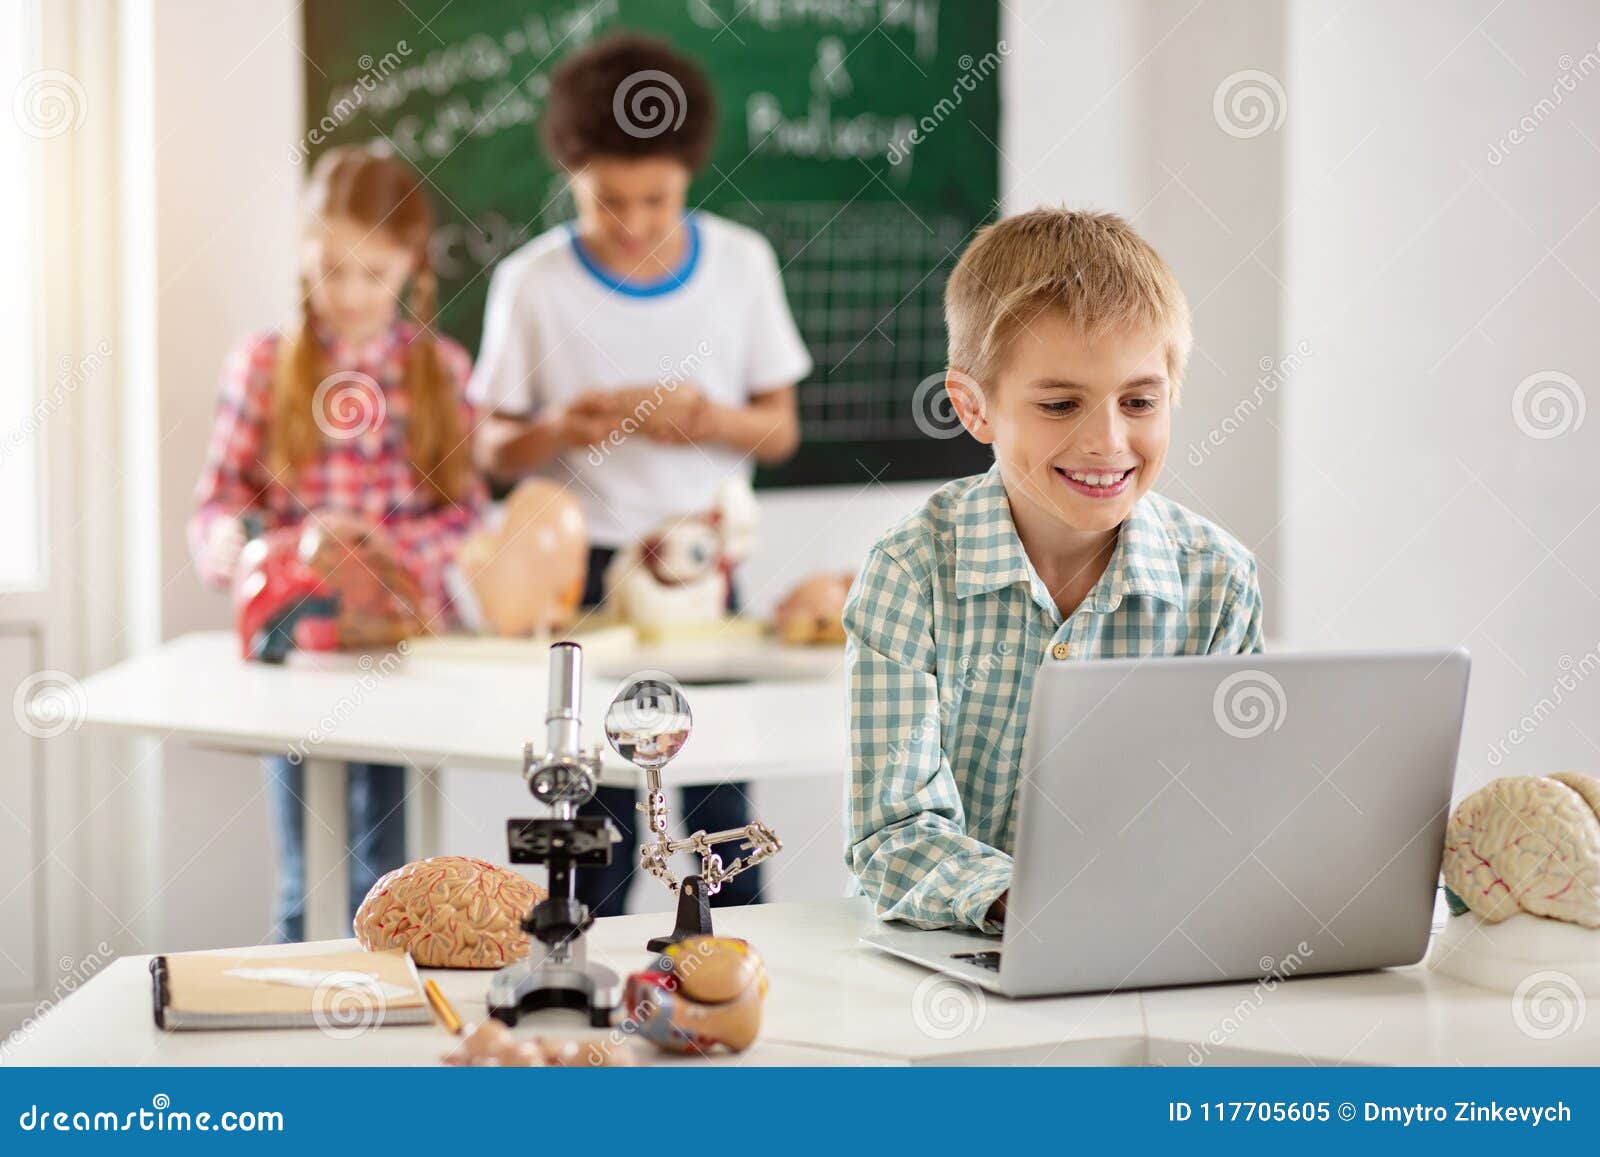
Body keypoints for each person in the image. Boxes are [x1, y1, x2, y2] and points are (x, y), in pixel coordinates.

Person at [843, 208, 1264, 934]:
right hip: (954, 958)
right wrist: (1040, 905)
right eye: (1061, 403)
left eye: (1139, 401)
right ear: (973, 407)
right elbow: (894, 834)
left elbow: (1229, 809)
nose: (1106, 441)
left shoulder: (1217, 581)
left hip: (1155, 947)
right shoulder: (911, 574)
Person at [469, 33, 811, 917]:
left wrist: (709, 419)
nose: (633, 222)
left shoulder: (740, 265)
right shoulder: (532, 283)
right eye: (605, 202)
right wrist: (559, 428)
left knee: (721, 810)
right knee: (596, 813)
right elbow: (488, 449)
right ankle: (589, 1015)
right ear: (569, 173)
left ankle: (732, 987)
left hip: (704, 572)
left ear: (690, 174)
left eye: (656, 199)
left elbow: (778, 432)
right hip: (581, 583)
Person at [190, 145, 487, 941]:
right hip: (297, 658)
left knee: (388, 876)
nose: (350, 294)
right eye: (331, 270)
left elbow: (467, 517)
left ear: (411, 267)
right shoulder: (262, 365)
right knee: (305, 880)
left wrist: (380, 551)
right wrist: (241, 540)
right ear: (303, 255)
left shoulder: (441, 371)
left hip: (397, 658)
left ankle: (385, 1046)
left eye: (373, 274)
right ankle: (305, 1054)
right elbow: (222, 502)